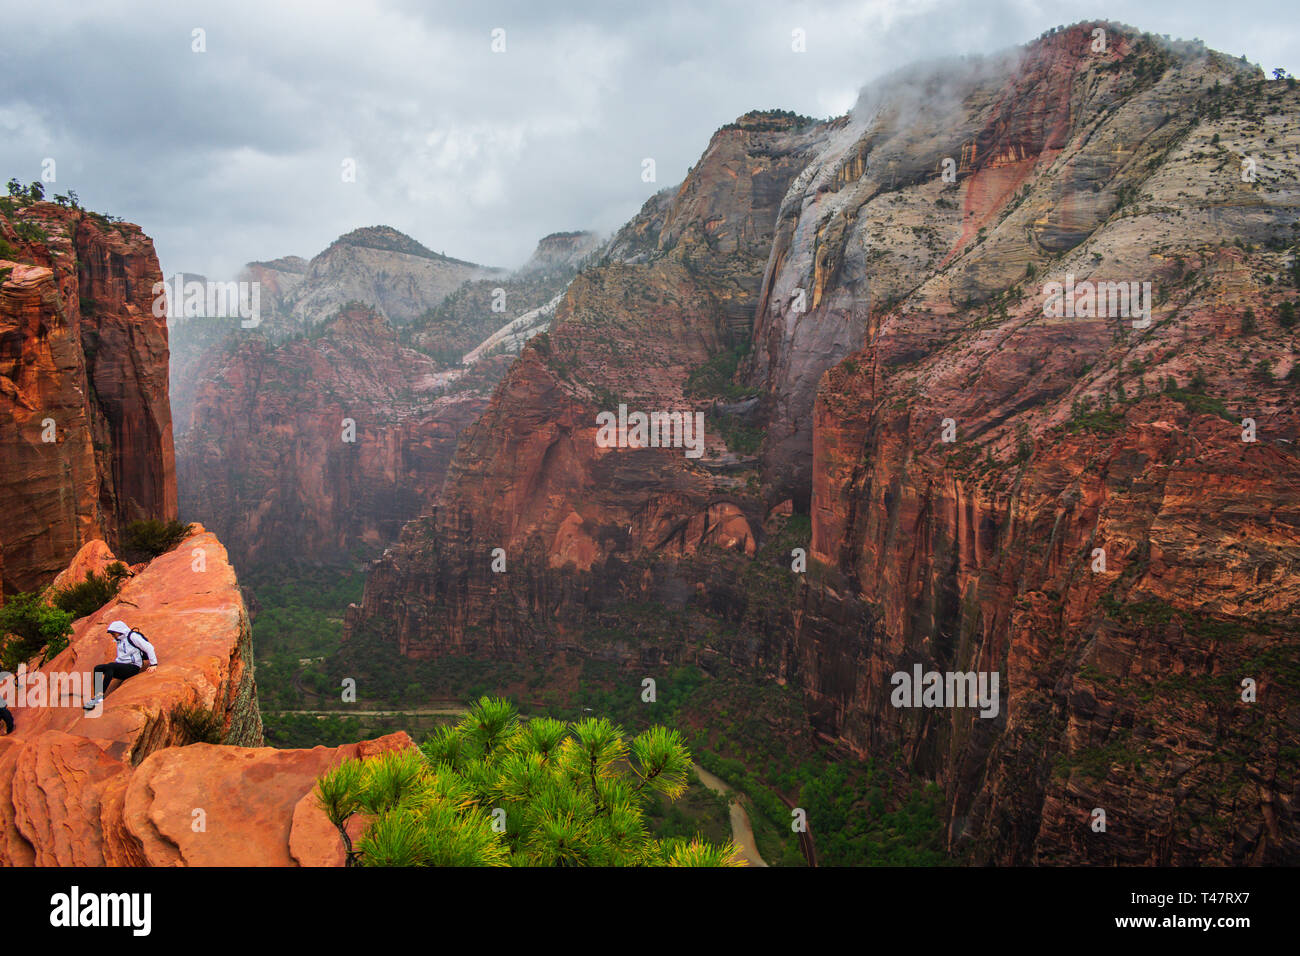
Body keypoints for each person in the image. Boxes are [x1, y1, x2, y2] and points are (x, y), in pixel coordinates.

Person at [83, 620, 157, 711]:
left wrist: (154, 664)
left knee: (111, 666)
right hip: (122, 667)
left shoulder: (132, 636)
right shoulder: (119, 640)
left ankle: (98, 698)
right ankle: (97, 695)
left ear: (119, 631)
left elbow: (149, 647)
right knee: (98, 668)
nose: (112, 635)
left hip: (133, 667)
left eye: (113, 633)